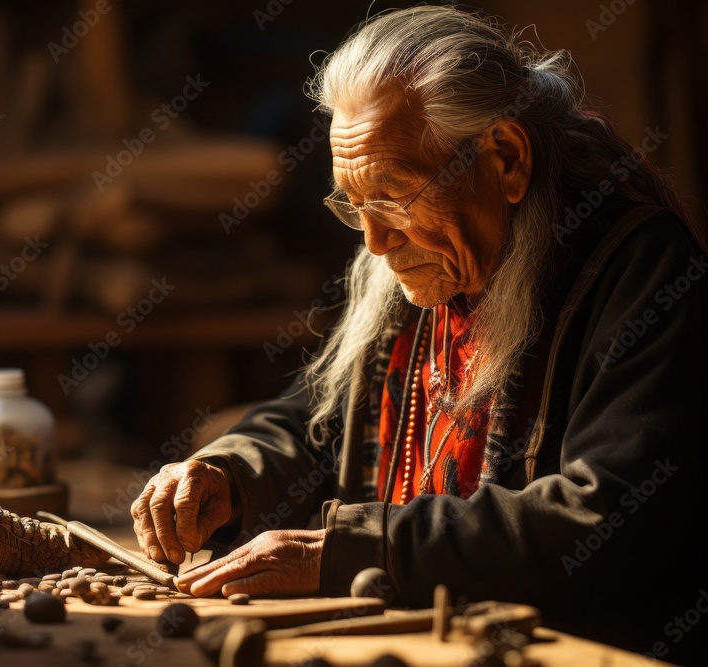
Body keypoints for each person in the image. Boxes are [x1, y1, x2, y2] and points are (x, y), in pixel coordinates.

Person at [130, 5, 708, 662]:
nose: (374, 241)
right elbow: (325, 421)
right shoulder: (432, 262)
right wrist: (229, 471)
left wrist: (357, 548)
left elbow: (609, 519)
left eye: (395, 196)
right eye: (354, 203)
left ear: (507, 159)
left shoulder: (639, 270)